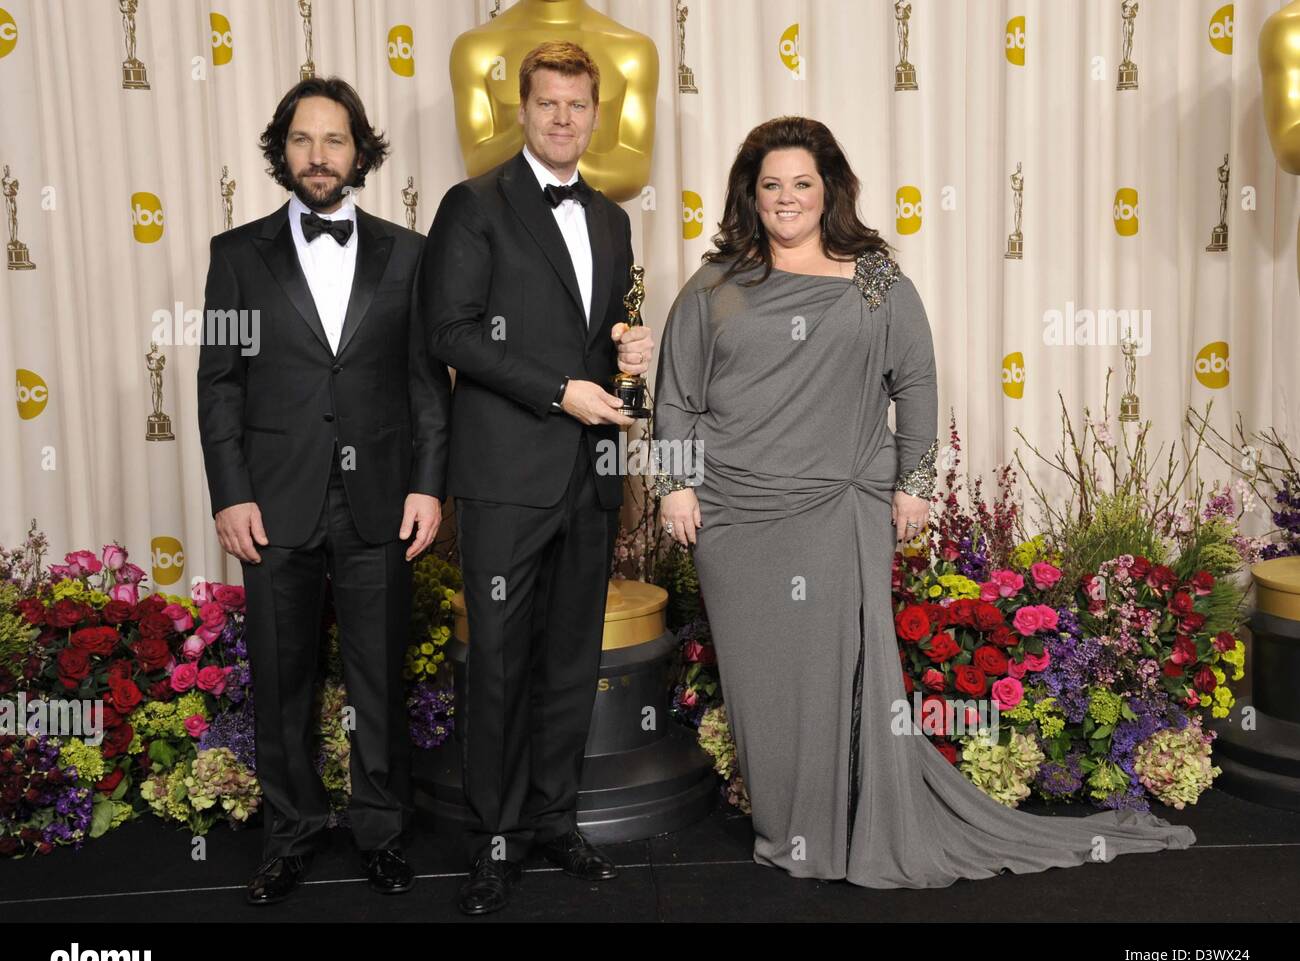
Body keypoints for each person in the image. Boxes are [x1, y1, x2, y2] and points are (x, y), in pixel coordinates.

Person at [651, 115, 1195, 888]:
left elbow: (917, 383)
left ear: (830, 188)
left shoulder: (875, 277)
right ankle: (790, 825)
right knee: (762, 684)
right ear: (750, 193)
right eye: (770, 184)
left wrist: (913, 485)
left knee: (831, 675)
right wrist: (674, 482)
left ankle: (845, 823)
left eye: (802, 182)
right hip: (734, 514)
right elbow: (674, 394)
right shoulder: (716, 284)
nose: (786, 197)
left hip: (838, 509)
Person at [197, 77, 451, 904]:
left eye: (334, 140)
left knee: (379, 674)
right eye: (302, 140)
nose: (318, 155)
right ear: (282, 152)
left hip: (380, 496)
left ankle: (381, 832)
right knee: (282, 677)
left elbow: (426, 385)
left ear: (359, 152)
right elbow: (220, 384)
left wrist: (428, 485)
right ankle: (292, 831)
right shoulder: (236, 254)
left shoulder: (408, 253)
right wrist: (230, 492)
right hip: (274, 501)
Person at [421, 41, 656, 915]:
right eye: (548, 103)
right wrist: (561, 390)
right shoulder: (473, 205)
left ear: (597, 115)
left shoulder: (611, 219)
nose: (564, 118)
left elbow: (597, 345)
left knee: (569, 661)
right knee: (499, 663)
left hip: (591, 477)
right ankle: (495, 837)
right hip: (506, 478)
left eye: (577, 105)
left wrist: (627, 355)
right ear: (523, 110)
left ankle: (557, 819)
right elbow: (449, 332)